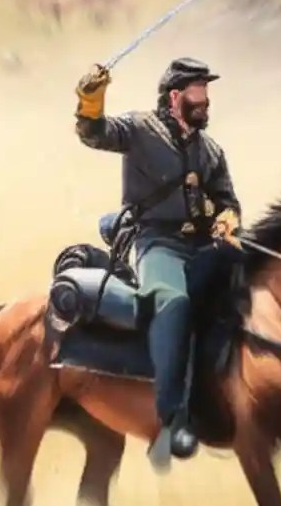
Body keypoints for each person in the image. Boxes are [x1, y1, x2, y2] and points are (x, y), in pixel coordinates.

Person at [74, 57, 241, 469]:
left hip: (203, 245)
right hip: (156, 243)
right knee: (172, 302)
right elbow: (95, 134)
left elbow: (228, 201)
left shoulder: (211, 151)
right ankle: (173, 419)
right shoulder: (139, 129)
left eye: (206, 93)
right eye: (199, 93)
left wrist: (227, 219)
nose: (205, 101)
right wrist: (90, 99)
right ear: (175, 96)